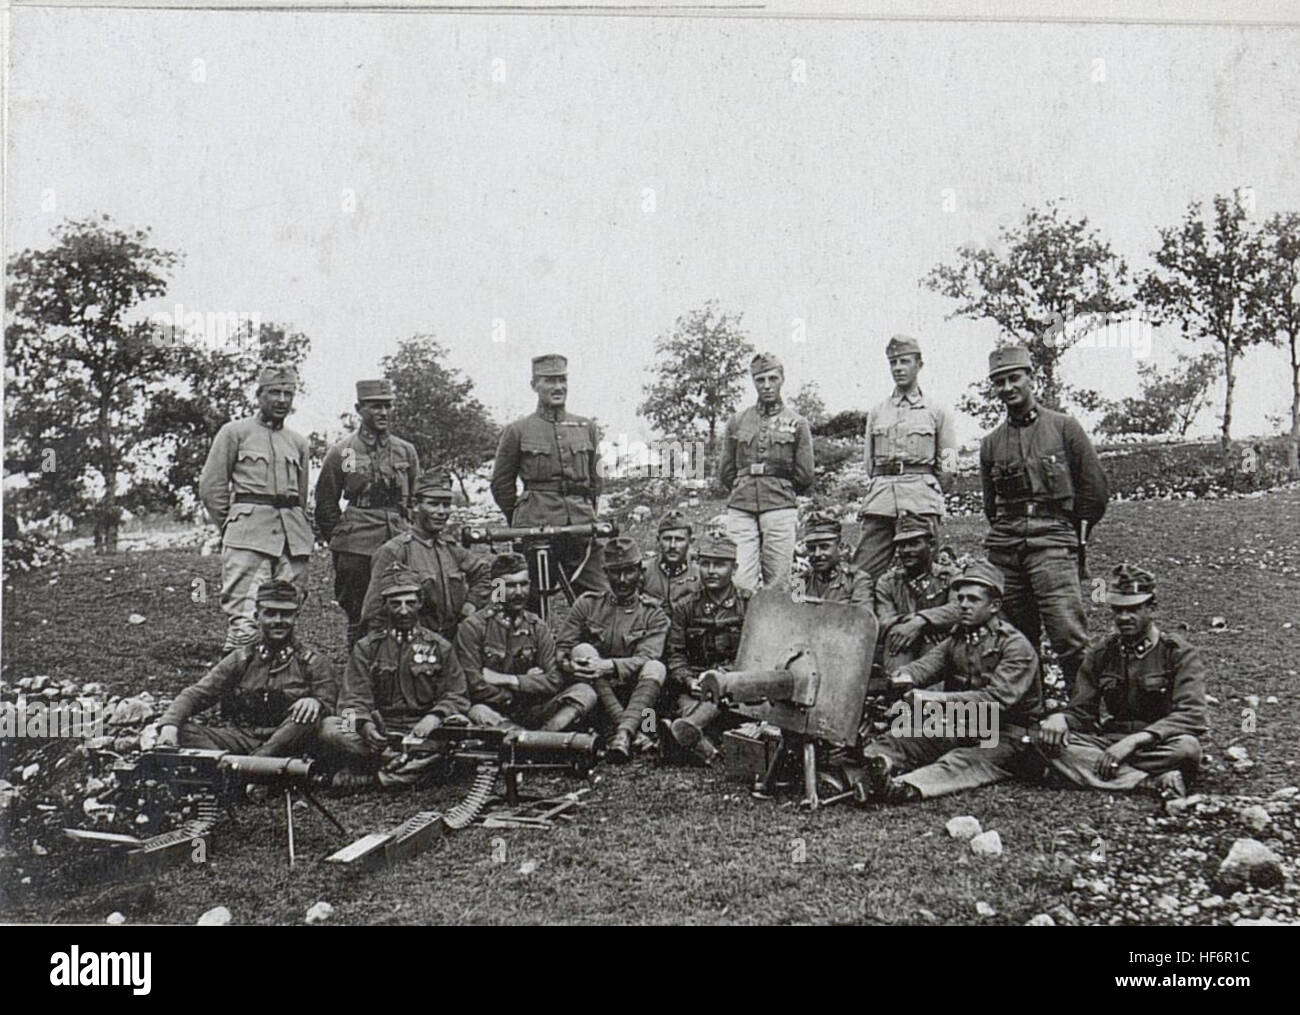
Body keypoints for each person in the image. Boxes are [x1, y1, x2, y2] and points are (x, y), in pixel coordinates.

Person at [856, 561, 1042, 802]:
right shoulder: (958, 639)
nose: (963, 605)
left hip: (1010, 732)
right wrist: (893, 681)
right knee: (903, 737)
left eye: (973, 600)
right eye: (961, 598)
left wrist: (932, 699)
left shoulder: (1016, 646)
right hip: (966, 724)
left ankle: (905, 786)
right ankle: (873, 764)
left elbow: (995, 701)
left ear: (994, 606)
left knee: (964, 761)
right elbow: (923, 668)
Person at [980, 344, 1109, 692]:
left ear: (1031, 379)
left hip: (1052, 542)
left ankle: (1083, 713)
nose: (1007, 388)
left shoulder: (1065, 428)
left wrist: (1073, 536)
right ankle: (1029, 714)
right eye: (999, 382)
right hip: (1006, 548)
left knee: (1067, 634)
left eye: (1014, 378)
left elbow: (1094, 490)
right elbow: (991, 505)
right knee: (1016, 639)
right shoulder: (991, 443)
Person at [1033, 564, 1207, 799]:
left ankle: (1093, 772)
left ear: (1152, 608)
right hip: (1109, 742)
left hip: (1156, 744)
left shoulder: (1177, 653)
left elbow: (1193, 715)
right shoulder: (1102, 653)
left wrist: (1134, 742)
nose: (1124, 617)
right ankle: (1150, 783)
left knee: (1188, 748)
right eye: (1118, 610)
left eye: (1133, 609)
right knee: (1043, 741)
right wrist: (1059, 718)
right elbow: (1083, 713)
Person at [321, 564, 470, 789]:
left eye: (410, 603)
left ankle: (372, 778)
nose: (403, 611)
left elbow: (457, 695)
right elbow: (350, 702)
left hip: (424, 730)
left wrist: (435, 717)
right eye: (395, 604)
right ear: (384, 606)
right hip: (379, 733)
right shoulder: (367, 647)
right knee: (330, 728)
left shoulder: (440, 647)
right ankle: (405, 764)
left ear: (420, 603)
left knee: (462, 733)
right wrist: (364, 725)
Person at [198, 364, 312, 651]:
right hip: (249, 538)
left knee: (284, 615)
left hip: (292, 541)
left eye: (288, 393)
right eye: (275, 392)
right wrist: (235, 525)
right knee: (245, 621)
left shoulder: (298, 442)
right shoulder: (235, 432)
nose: (282, 400)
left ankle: (279, 685)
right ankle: (234, 690)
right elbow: (211, 488)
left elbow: (300, 495)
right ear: (259, 394)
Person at [156, 579, 335, 756]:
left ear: (296, 617)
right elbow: (197, 693)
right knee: (182, 729)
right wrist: (169, 725)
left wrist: (316, 702)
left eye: (286, 614)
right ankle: (244, 769)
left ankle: (237, 769)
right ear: (257, 617)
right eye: (270, 614)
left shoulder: (314, 662)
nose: (278, 621)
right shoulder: (241, 658)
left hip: (287, 741)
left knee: (308, 717)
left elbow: (331, 704)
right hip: (241, 738)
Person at [490, 353, 608, 610]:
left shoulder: (586, 426)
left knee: (600, 595)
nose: (558, 387)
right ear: (534, 385)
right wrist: (522, 516)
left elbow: (596, 481)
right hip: (536, 526)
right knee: (527, 598)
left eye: (562, 380)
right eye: (549, 380)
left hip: (581, 527)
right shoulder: (517, 430)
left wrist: (587, 514)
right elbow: (501, 484)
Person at [314, 379, 420, 647]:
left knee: (402, 602)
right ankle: (357, 671)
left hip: (397, 537)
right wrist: (340, 540)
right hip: (356, 543)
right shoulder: (345, 451)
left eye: (387, 406)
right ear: (359, 409)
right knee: (358, 610)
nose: (383, 413)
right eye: (375, 407)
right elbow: (326, 503)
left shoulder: (405, 450)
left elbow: (416, 497)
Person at [555, 536, 670, 763]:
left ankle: (626, 731)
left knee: (656, 667)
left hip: (641, 698)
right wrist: (571, 664)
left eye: (629, 571)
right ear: (605, 573)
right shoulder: (587, 604)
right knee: (582, 649)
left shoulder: (653, 612)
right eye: (615, 572)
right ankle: (628, 732)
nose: (623, 579)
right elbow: (563, 647)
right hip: (599, 693)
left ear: (640, 572)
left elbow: (648, 656)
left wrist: (608, 666)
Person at [852, 336, 956, 580]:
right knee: (862, 573)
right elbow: (869, 463)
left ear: (919, 365)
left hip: (921, 499)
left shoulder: (937, 411)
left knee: (927, 572)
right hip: (881, 501)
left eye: (905, 361)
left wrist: (930, 490)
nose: (898, 368)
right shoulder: (878, 411)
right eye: (893, 362)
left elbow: (949, 464)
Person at [457, 552, 596, 732]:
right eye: (510, 586)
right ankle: (532, 743)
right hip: (493, 710)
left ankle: (544, 737)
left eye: (523, 584)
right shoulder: (472, 628)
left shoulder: (537, 627)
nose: (519, 593)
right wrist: (523, 687)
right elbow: (475, 684)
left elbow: (554, 680)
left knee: (585, 692)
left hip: (533, 709)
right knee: (478, 711)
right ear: (496, 588)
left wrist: (507, 680)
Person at [719, 352, 815, 593]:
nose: (767, 385)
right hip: (742, 506)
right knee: (739, 579)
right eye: (760, 380)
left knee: (779, 581)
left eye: (772, 378)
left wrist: (781, 487)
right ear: (753, 382)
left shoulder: (797, 423)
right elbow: (726, 471)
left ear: (782, 379)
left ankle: (774, 631)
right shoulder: (737, 421)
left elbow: (805, 475)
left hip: (780, 506)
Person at [359, 469, 490, 642]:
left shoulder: (450, 548)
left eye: (446, 504)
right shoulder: (395, 551)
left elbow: (485, 574)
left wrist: (471, 604)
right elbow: (374, 613)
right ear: (415, 505)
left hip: (453, 642)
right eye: (434, 504)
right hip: (411, 643)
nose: (442, 511)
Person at [662, 534, 750, 764]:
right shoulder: (685, 607)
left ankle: (689, 734)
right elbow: (675, 654)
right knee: (687, 707)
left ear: (735, 568)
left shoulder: (750, 604)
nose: (711, 571)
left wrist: (726, 676)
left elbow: (757, 653)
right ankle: (704, 746)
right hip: (695, 688)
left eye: (719, 564)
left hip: (737, 684)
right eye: (705, 563)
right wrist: (689, 680)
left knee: (715, 708)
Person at [873, 511, 959, 678]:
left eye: (913, 543)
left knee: (934, 640)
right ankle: (898, 692)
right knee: (897, 634)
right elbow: (884, 620)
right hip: (902, 647)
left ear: (931, 545)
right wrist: (911, 624)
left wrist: (921, 621)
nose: (905, 551)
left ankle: (929, 700)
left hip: (941, 648)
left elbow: (959, 608)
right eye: (902, 545)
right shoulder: (888, 581)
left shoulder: (950, 576)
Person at [798, 511, 873, 606]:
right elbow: (790, 616)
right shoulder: (800, 581)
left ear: (840, 547)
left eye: (824, 547)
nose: (817, 554)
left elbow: (863, 617)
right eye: (812, 548)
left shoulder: (857, 580)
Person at [641, 509, 700, 608]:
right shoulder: (644, 571)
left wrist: (659, 605)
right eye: (667, 539)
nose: (672, 546)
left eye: (679, 539)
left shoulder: (700, 574)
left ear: (691, 541)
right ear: (658, 540)